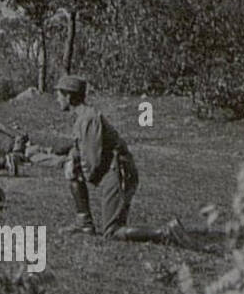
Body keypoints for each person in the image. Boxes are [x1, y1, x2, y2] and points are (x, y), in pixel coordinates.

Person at [56, 75, 191, 246]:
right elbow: (81, 149)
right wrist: (71, 159)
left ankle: (165, 233)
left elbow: (92, 162)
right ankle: (84, 224)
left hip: (119, 173)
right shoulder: (82, 117)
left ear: (69, 96)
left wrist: (78, 169)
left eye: (59, 94)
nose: (57, 99)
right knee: (72, 169)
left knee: (112, 231)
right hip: (114, 171)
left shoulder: (88, 118)